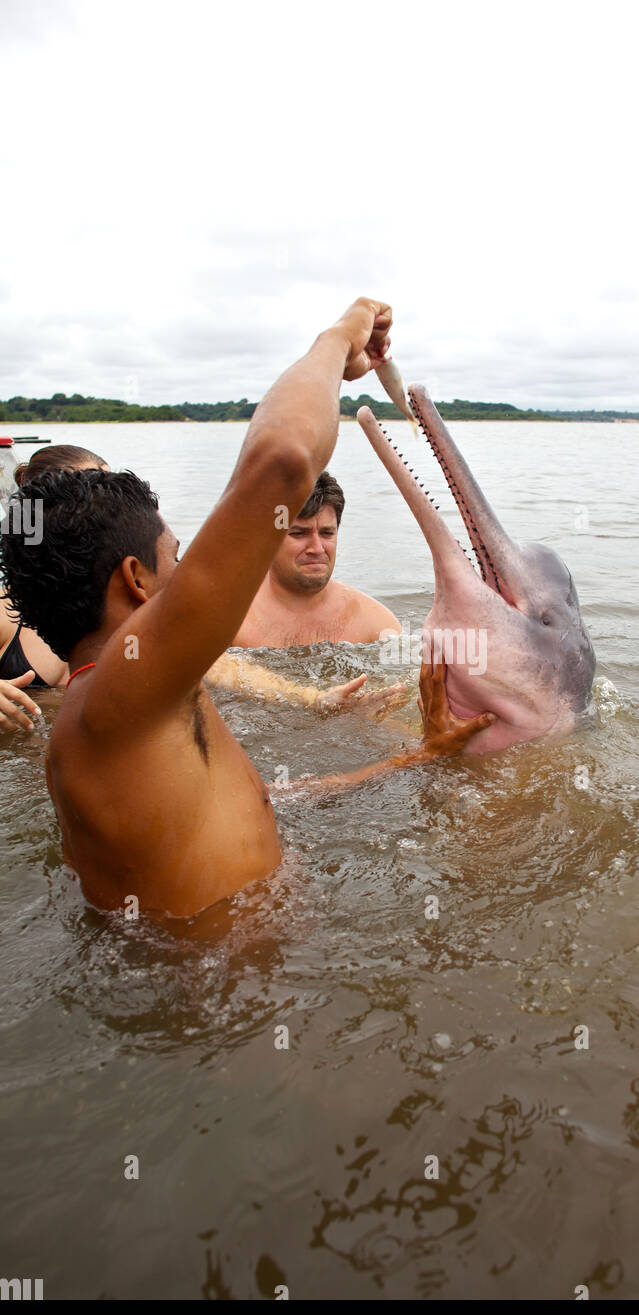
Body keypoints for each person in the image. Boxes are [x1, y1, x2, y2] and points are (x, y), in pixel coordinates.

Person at [0, 298, 494, 917]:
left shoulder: (127, 707)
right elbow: (283, 460)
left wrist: (417, 759)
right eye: (174, 557)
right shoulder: (121, 697)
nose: (188, 575)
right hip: (233, 1007)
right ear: (137, 581)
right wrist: (340, 338)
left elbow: (259, 800)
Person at [0, 447, 401, 733]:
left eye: (327, 533)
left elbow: (217, 665)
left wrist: (312, 700)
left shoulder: (138, 625)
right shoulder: (17, 609)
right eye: (97, 486)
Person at [233, 469, 399, 647]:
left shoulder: (376, 625)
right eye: (298, 533)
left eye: (327, 533)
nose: (317, 548)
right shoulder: (230, 622)